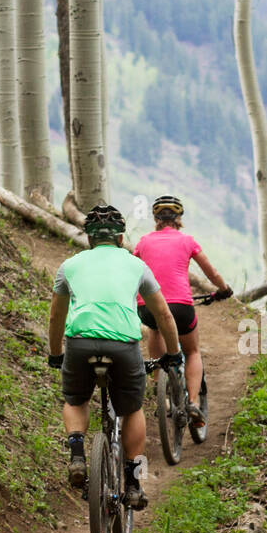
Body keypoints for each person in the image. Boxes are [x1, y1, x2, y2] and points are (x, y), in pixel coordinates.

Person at [47, 204, 182, 510]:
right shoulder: (137, 266)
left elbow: (57, 317)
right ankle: (133, 485)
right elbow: (163, 314)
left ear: (89, 239)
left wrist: (56, 354)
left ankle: (78, 453)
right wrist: (172, 354)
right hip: (124, 347)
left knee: (76, 400)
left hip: (80, 344)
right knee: (132, 409)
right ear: (121, 238)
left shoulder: (69, 265)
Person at [133, 195, 231, 427]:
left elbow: (130, 267)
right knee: (192, 351)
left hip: (146, 306)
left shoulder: (143, 241)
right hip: (180, 306)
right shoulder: (187, 240)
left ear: (156, 219)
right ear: (179, 219)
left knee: (155, 330)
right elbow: (211, 271)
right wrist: (223, 289)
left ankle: (163, 396)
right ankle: (194, 403)